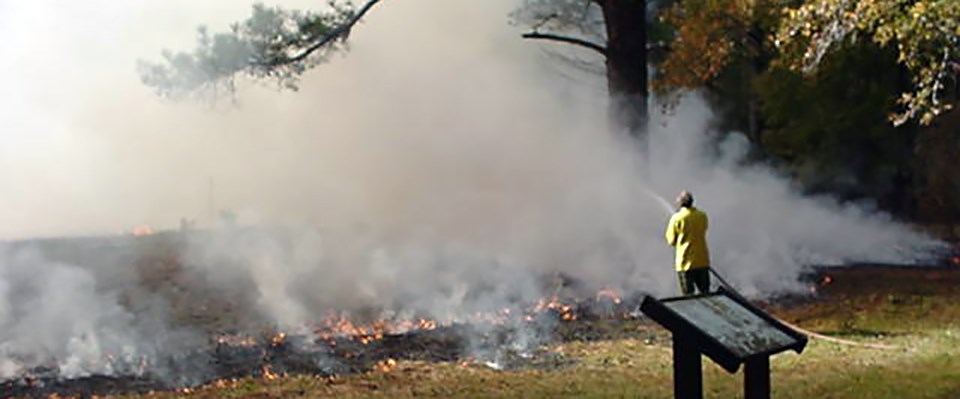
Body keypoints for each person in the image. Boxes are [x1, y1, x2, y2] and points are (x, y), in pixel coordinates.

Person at [665, 190, 711, 295]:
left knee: (688, 296)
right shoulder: (702, 216)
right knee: (706, 294)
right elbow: (703, 229)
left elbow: (671, 240)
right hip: (702, 261)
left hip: (685, 263)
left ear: (680, 203)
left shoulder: (676, 218)